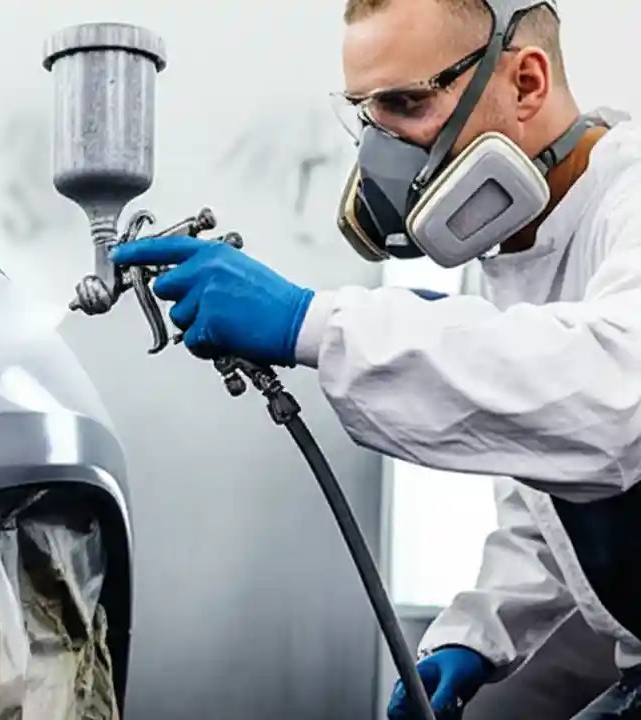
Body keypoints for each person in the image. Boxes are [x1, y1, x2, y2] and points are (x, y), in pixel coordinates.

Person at [110, 1, 641, 718]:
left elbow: (613, 404)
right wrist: (475, 634)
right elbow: (556, 491)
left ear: (527, 84)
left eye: (408, 103)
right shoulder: (519, 244)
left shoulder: (630, 201)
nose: (383, 155)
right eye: (368, 114)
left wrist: (312, 324)